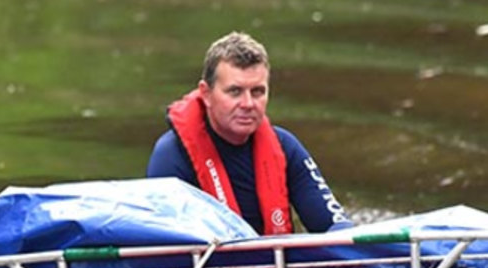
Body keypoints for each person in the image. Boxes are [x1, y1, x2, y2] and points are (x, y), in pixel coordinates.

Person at [147, 32, 353, 234]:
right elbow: (166, 248)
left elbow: (335, 227)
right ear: (206, 94)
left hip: (275, 265)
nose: (248, 104)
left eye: (257, 92)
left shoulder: (286, 147)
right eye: (235, 91)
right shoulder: (171, 156)